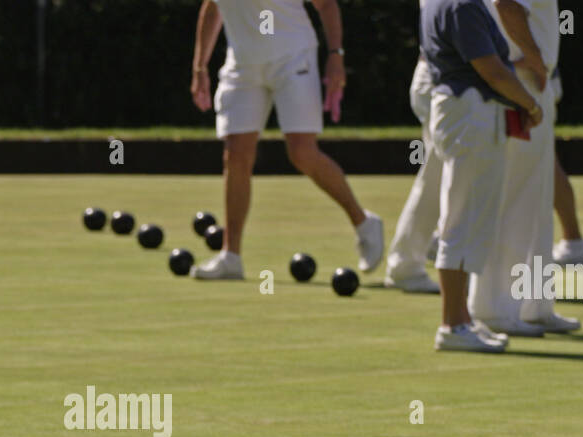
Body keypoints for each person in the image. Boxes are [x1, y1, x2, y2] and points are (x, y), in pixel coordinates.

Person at [188, 0, 383, 280]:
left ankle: (363, 222)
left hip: (293, 57)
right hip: (242, 64)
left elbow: (326, 5)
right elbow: (212, 6)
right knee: (236, 154)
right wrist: (200, 66)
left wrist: (336, 56)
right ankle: (231, 256)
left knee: (302, 152)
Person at [421, 0, 543, 352]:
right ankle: (453, 324)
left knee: (467, 219)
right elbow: (492, 71)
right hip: (470, 112)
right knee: (462, 220)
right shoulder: (462, 5)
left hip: (462, 110)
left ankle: (461, 318)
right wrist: (530, 104)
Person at [466, 0, 580, 336]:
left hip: (530, 79)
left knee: (537, 198)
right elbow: (507, 4)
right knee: (513, 195)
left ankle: (535, 305)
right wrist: (534, 56)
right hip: (521, 80)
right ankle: (493, 308)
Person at [384, 3, 442, 294]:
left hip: (445, 76)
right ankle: (405, 265)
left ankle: (436, 242)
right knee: (438, 174)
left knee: (445, 174)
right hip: (441, 78)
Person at [550, 68, 583, 265]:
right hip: (528, 79)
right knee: (542, 161)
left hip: (528, 81)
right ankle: (573, 241)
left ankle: (573, 241)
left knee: (543, 161)